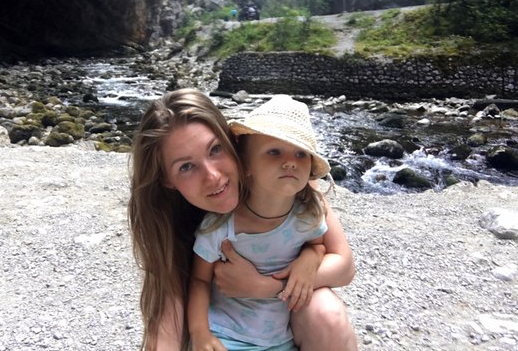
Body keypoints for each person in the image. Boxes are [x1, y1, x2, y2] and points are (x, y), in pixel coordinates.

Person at [128, 89, 357, 351]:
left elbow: (343, 265)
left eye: (215, 149)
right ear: (166, 180)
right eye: (186, 166)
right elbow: (170, 306)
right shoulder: (179, 222)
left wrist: (274, 281)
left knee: (326, 311)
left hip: (281, 328)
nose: (213, 176)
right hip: (227, 332)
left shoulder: (295, 193)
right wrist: (198, 334)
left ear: (234, 147)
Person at [188, 95, 332, 350]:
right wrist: (199, 333)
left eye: (301, 153)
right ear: (245, 165)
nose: (291, 161)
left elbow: (318, 245)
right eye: (274, 152)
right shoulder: (221, 225)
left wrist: (309, 259)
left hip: (281, 339)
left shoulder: (307, 215)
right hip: (225, 335)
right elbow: (199, 280)